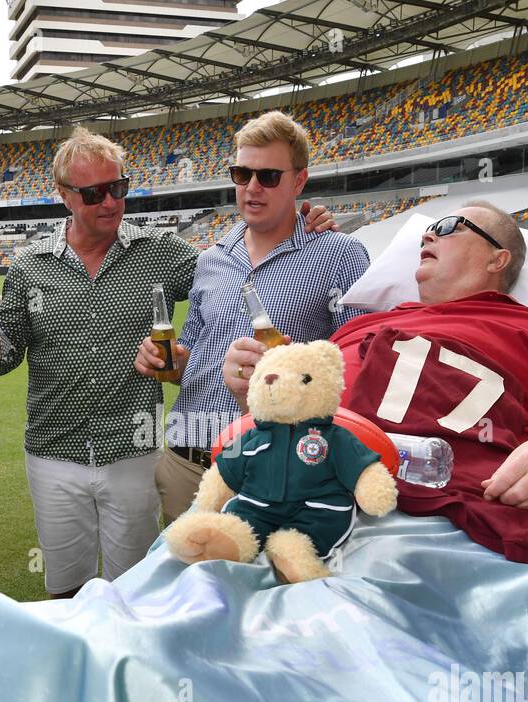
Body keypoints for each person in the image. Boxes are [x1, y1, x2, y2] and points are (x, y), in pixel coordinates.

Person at [0, 127, 337, 598]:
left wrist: (304, 220)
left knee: (139, 589)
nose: (110, 202)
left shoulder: (162, 252)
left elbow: (236, 271)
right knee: (67, 589)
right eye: (93, 193)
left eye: (118, 188)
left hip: (135, 450)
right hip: (52, 453)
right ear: (64, 195)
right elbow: (3, 359)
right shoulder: (29, 264)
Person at [325, 201, 528, 557]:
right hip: (297, 486)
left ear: (497, 260)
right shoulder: (359, 326)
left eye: (449, 226)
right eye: (429, 230)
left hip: (436, 532)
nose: (428, 234)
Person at [134, 111, 371, 523]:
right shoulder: (211, 259)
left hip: (277, 466)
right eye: (242, 174)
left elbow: (362, 366)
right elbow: (190, 361)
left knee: (271, 580)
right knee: (186, 585)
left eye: (269, 177)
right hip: (188, 461)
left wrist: (290, 367)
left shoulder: (340, 255)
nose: (252, 188)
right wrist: (163, 362)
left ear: (299, 181)